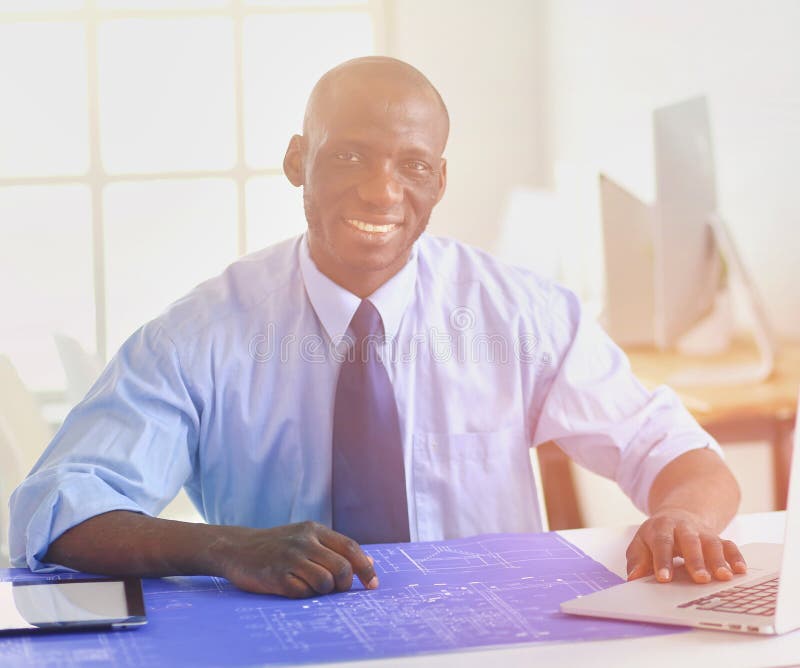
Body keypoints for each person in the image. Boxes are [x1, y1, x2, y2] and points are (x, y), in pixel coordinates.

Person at [9, 56, 745, 598]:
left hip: (487, 639)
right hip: (281, 641)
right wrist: (228, 548)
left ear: (440, 181)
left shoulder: (520, 314)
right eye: (350, 155)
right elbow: (57, 509)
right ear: (298, 161)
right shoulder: (202, 334)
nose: (382, 191)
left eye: (413, 165)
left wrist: (682, 518)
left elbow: (677, 453)